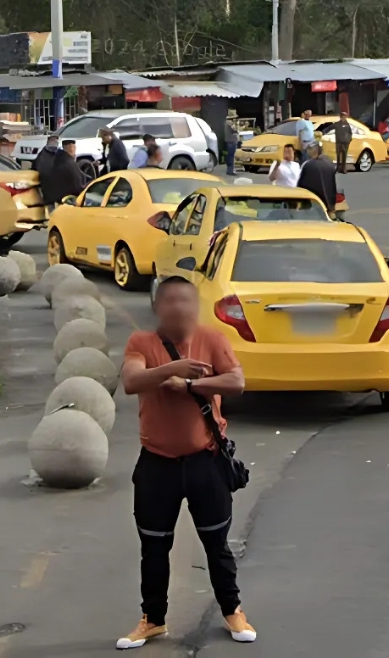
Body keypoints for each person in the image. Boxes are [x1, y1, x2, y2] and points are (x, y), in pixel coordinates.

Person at [117, 276, 254, 649]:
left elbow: (237, 382)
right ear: (158, 307)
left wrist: (193, 387)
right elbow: (131, 381)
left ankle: (232, 609)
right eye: (171, 300)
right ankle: (153, 619)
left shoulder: (212, 339)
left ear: (196, 306)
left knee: (216, 544)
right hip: (157, 464)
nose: (179, 307)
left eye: (185, 300)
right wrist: (169, 373)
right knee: (155, 547)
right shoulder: (141, 343)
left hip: (205, 462)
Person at [43, 140, 86, 208]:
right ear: (71, 147)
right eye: (75, 147)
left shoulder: (57, 159)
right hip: (64, 200)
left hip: (51, 197)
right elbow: (78, 187)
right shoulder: (69, 164)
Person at [297, 143, 337, 213]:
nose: (307, 152)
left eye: (309, 149)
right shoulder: (329, 162)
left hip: (314, 203)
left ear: (313, 151)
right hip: (329, 202)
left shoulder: (308, 164)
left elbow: (301, 184)